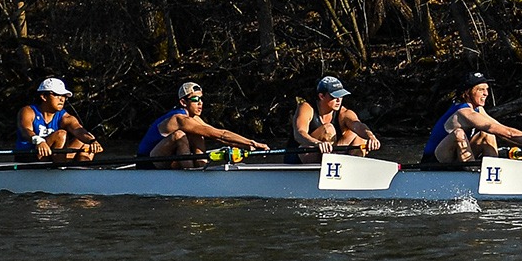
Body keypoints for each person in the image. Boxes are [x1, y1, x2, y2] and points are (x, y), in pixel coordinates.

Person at [422, 72, 522, 165]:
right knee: (458, 133)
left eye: (487, 89)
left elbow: (504, 132)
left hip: (456, 157)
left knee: (487, 134)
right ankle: (471, 172)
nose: (486, 94)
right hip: (435, 161)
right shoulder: (464, 113)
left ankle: (493, 172)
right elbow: (509, 133)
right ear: (467, 93)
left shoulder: (478, 110)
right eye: (480, 90)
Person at [138, 81, 269, 168]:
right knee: (179, 135)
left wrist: (247, 144)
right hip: (146, 162)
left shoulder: (194, 119)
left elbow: (218, 134)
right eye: (195, 99)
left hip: (166, 160)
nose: (200, 103)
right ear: (183, 102)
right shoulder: (178, 119)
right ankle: (192, 176)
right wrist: (253, 143)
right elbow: (221, 135)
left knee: (198, 133)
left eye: (201, 99)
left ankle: (201, 167)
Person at [289, 75, 382, 163]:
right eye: (335, 96)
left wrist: (371, 137)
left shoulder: (343, 112)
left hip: (331, 158)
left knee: (359, 136)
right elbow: (299, 133)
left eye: (341, 96)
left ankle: (351, 167)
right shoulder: (306, 108)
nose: (339, 100)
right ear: (321, 96)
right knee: (328, 129)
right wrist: (317, 143)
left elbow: (357, 124)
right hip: (301, 156)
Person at [18, 77, 103, 162]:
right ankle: (61, 168)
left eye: (64, 96)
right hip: (30, 156)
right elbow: (25, 130)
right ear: (44, 96)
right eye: (57, 94)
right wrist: (39, 141)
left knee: (84, 141)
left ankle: (83, 170)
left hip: (52, 155)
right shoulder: (28, 111)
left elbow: (78, 130)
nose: (62, 99)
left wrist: (92, 141)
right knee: (60, 135)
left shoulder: (65, 117)